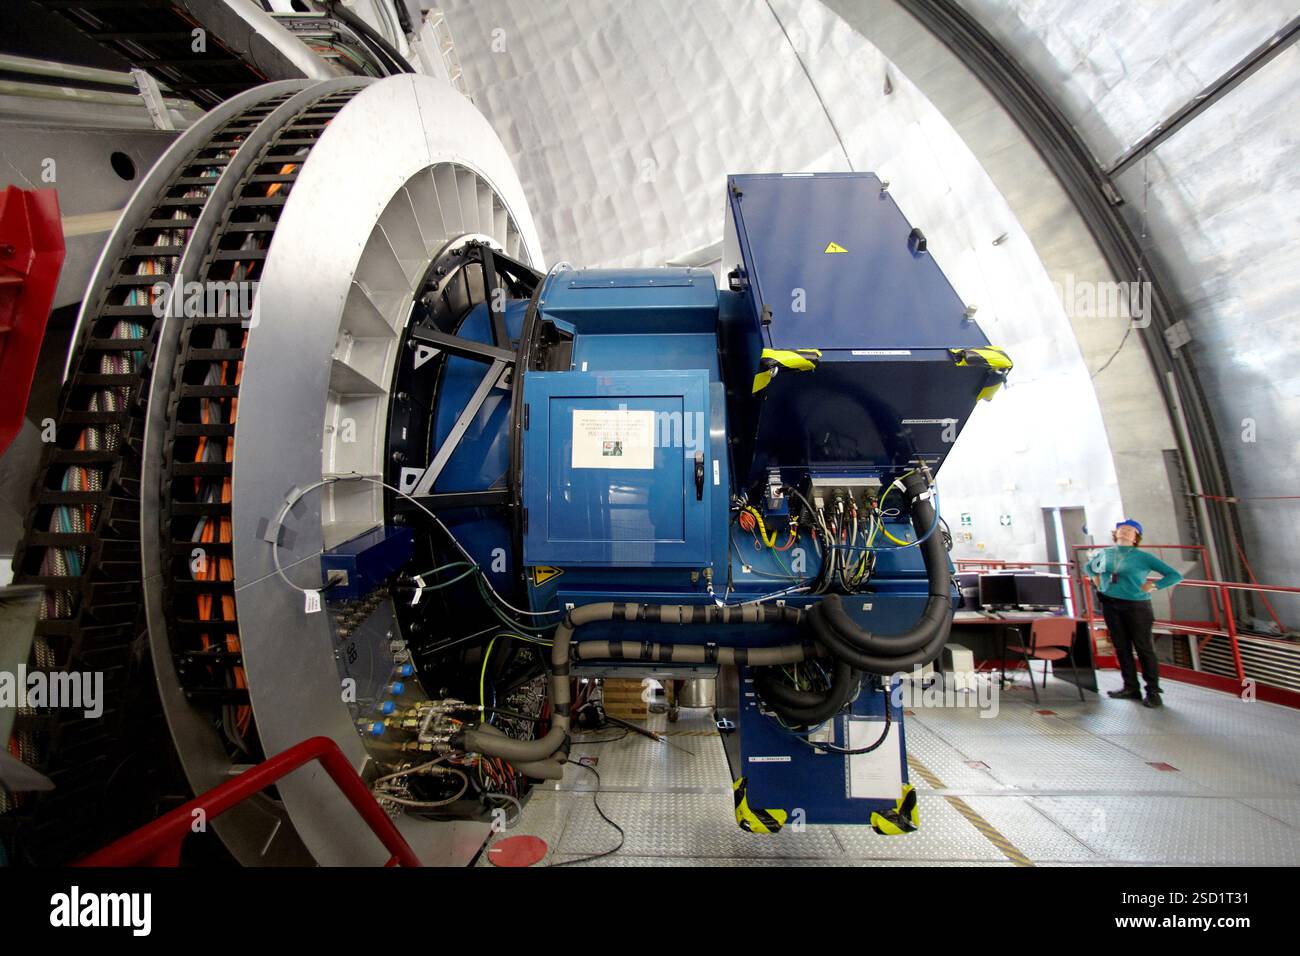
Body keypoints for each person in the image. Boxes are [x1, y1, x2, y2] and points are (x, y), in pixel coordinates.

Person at [1086, 519, 1183, 707]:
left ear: (1136, 536)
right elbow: (1090, 568)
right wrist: (1097, 582)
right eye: (1122, 528)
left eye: (1130, 530)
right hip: (1110, 604)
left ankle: (1153, 691)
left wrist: (1154, 586)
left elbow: (1174, 575)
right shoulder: (1105, 553)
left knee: (1143, 647)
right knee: (1121, 647)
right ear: (1115, 533)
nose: (1124, 531)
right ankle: (1130, 687)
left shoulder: (1143, 557)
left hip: (1136, 606)